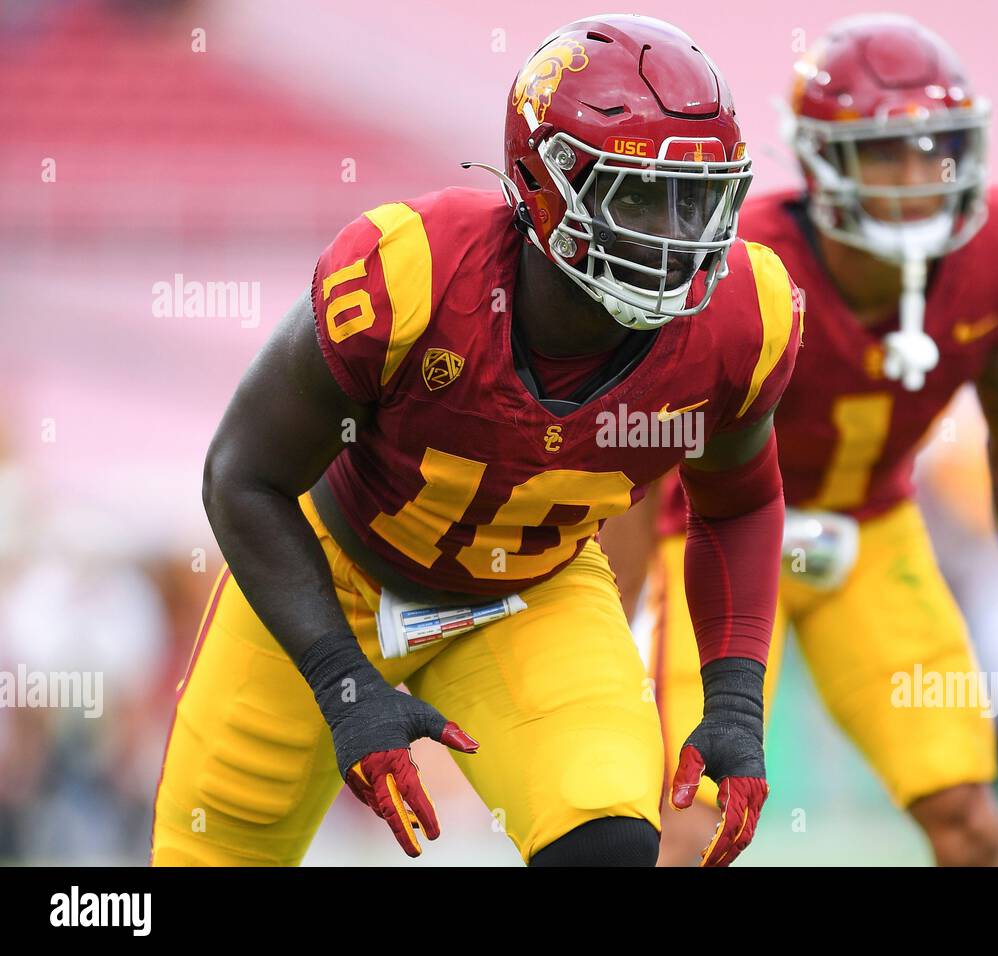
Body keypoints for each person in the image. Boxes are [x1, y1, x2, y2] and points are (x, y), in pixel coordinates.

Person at [150, 14, 802, 867]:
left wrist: (734, 702)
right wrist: (344, 685)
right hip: (335, 573)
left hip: (532, 593)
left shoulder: (740, 319)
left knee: (607, 848)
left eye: (699, 198)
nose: (678, 235)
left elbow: (741, 500)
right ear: (544, 182)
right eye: (640, 195)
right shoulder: (410, 274)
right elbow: (242, 476)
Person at [634, 14, 998, 866]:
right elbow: (637, 444)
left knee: (972, 824)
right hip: (718, 536)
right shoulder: (739, 262)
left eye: (937, 146)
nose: (921, 175)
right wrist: (610, 609)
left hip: (871, 530)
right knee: (687, 830)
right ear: (821, 159)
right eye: (887, 151)